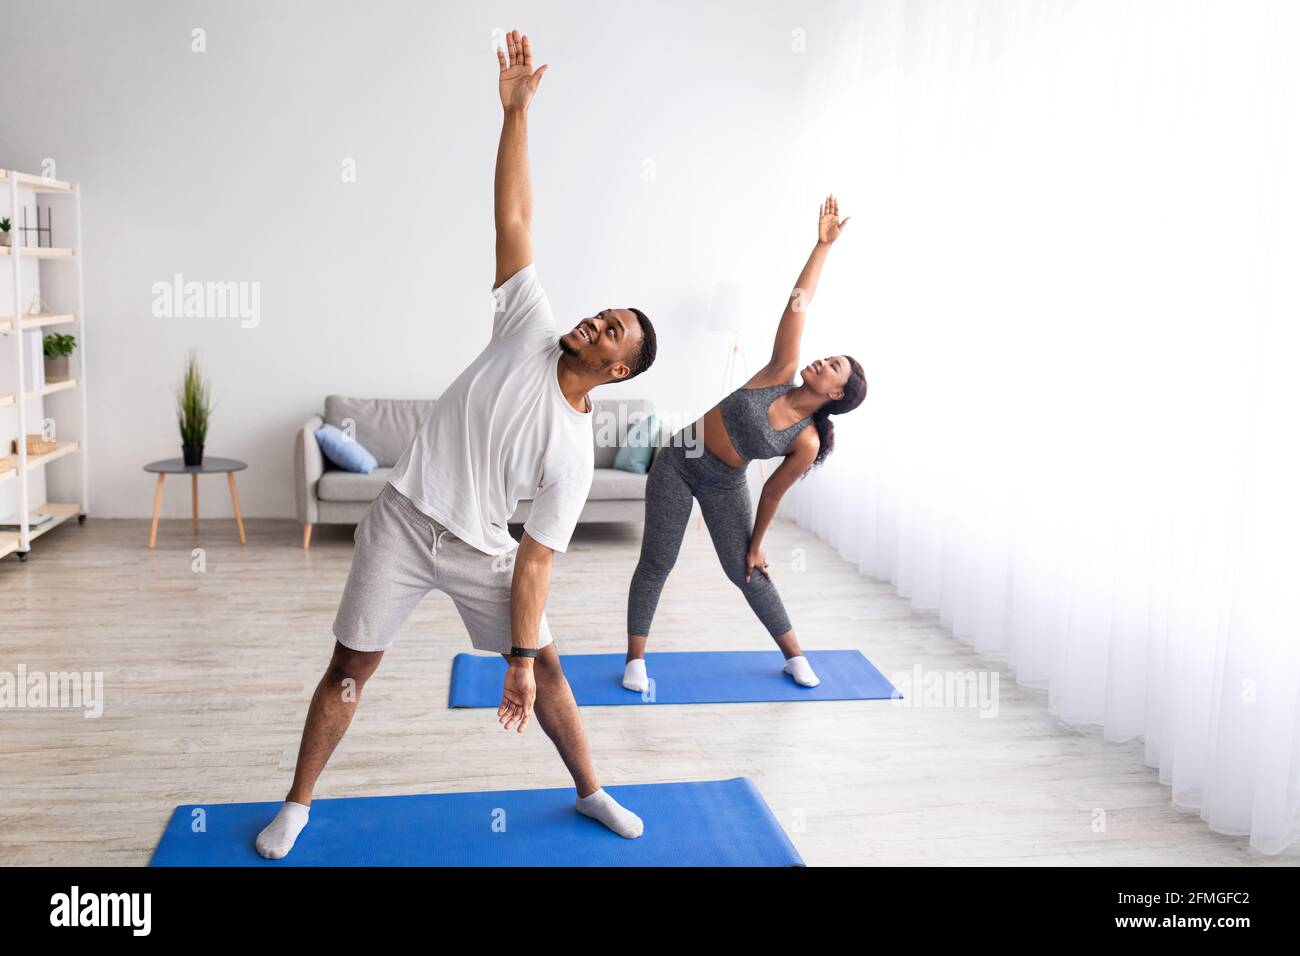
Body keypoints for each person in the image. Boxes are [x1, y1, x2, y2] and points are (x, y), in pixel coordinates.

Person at [256, 29, 657, 860]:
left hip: (484, 552)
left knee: (548, 671)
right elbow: (513, 214)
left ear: (615, 368)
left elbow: (536, 561)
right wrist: (515, 115)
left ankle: (590, 792)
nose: (595, 318)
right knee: (345, 673)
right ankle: (297, 804)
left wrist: (515, 655)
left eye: (610, 329)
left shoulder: (575, 454)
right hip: (403, 522)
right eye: (604, 310)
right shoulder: (531, 322)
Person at [623, 196, 865, 692]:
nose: (821, 361)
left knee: (746, 571)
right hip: (679, 458)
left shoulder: (807, 440)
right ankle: (635, 660)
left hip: (724, 482)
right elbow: (798, 303)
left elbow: (773, 492)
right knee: (657, 560)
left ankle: (795, 656)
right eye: (828, 356)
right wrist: (822, 246)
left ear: (836, 394)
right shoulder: (779, 371)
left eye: (832, 367)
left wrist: (756, 545)